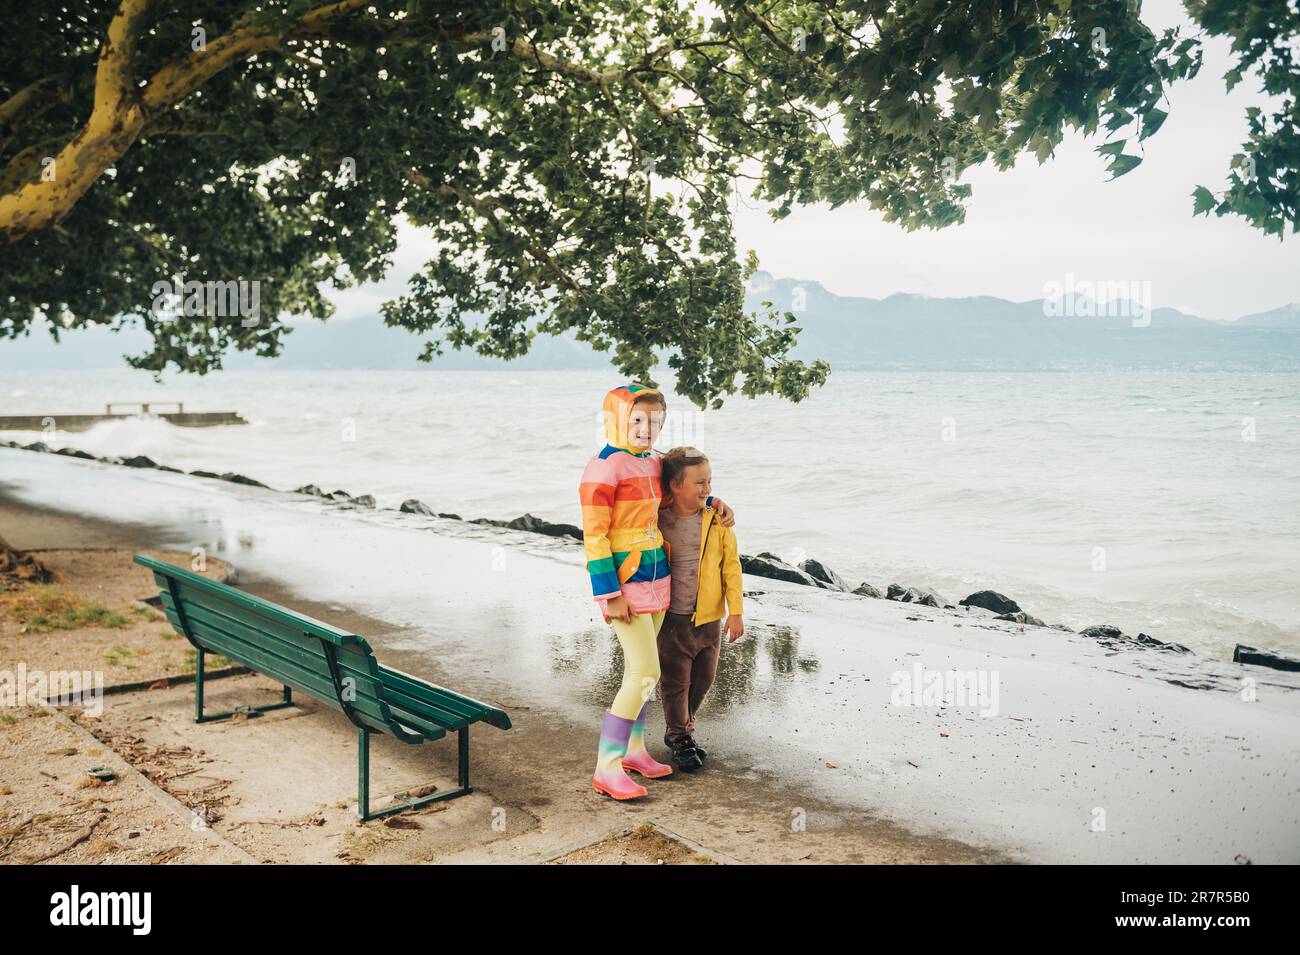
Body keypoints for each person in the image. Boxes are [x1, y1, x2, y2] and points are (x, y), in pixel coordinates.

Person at [578, 384, 733, 800]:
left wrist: (714, 500)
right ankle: (606, 768)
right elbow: (594, 536)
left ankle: (634, 750)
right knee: (644, 670)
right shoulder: (603, 468)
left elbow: (684, 488)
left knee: (645, 676)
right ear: (617, 419)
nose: (648, 429)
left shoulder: (655, 463)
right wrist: (609, 593)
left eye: (655, 421)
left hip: (658, 579)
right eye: (638, 420)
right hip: (623, 583)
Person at [657, 446, 744, 771]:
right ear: (675, 486)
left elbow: (731, 568)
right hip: (672, 620)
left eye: (709, 482)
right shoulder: (658, 518)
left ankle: (679, 727)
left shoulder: (717, 521)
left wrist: (735, 611)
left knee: (704, 679)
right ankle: (680, 737)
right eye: (699, 483)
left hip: (709, 618)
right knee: (675, 682)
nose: (707, 489)